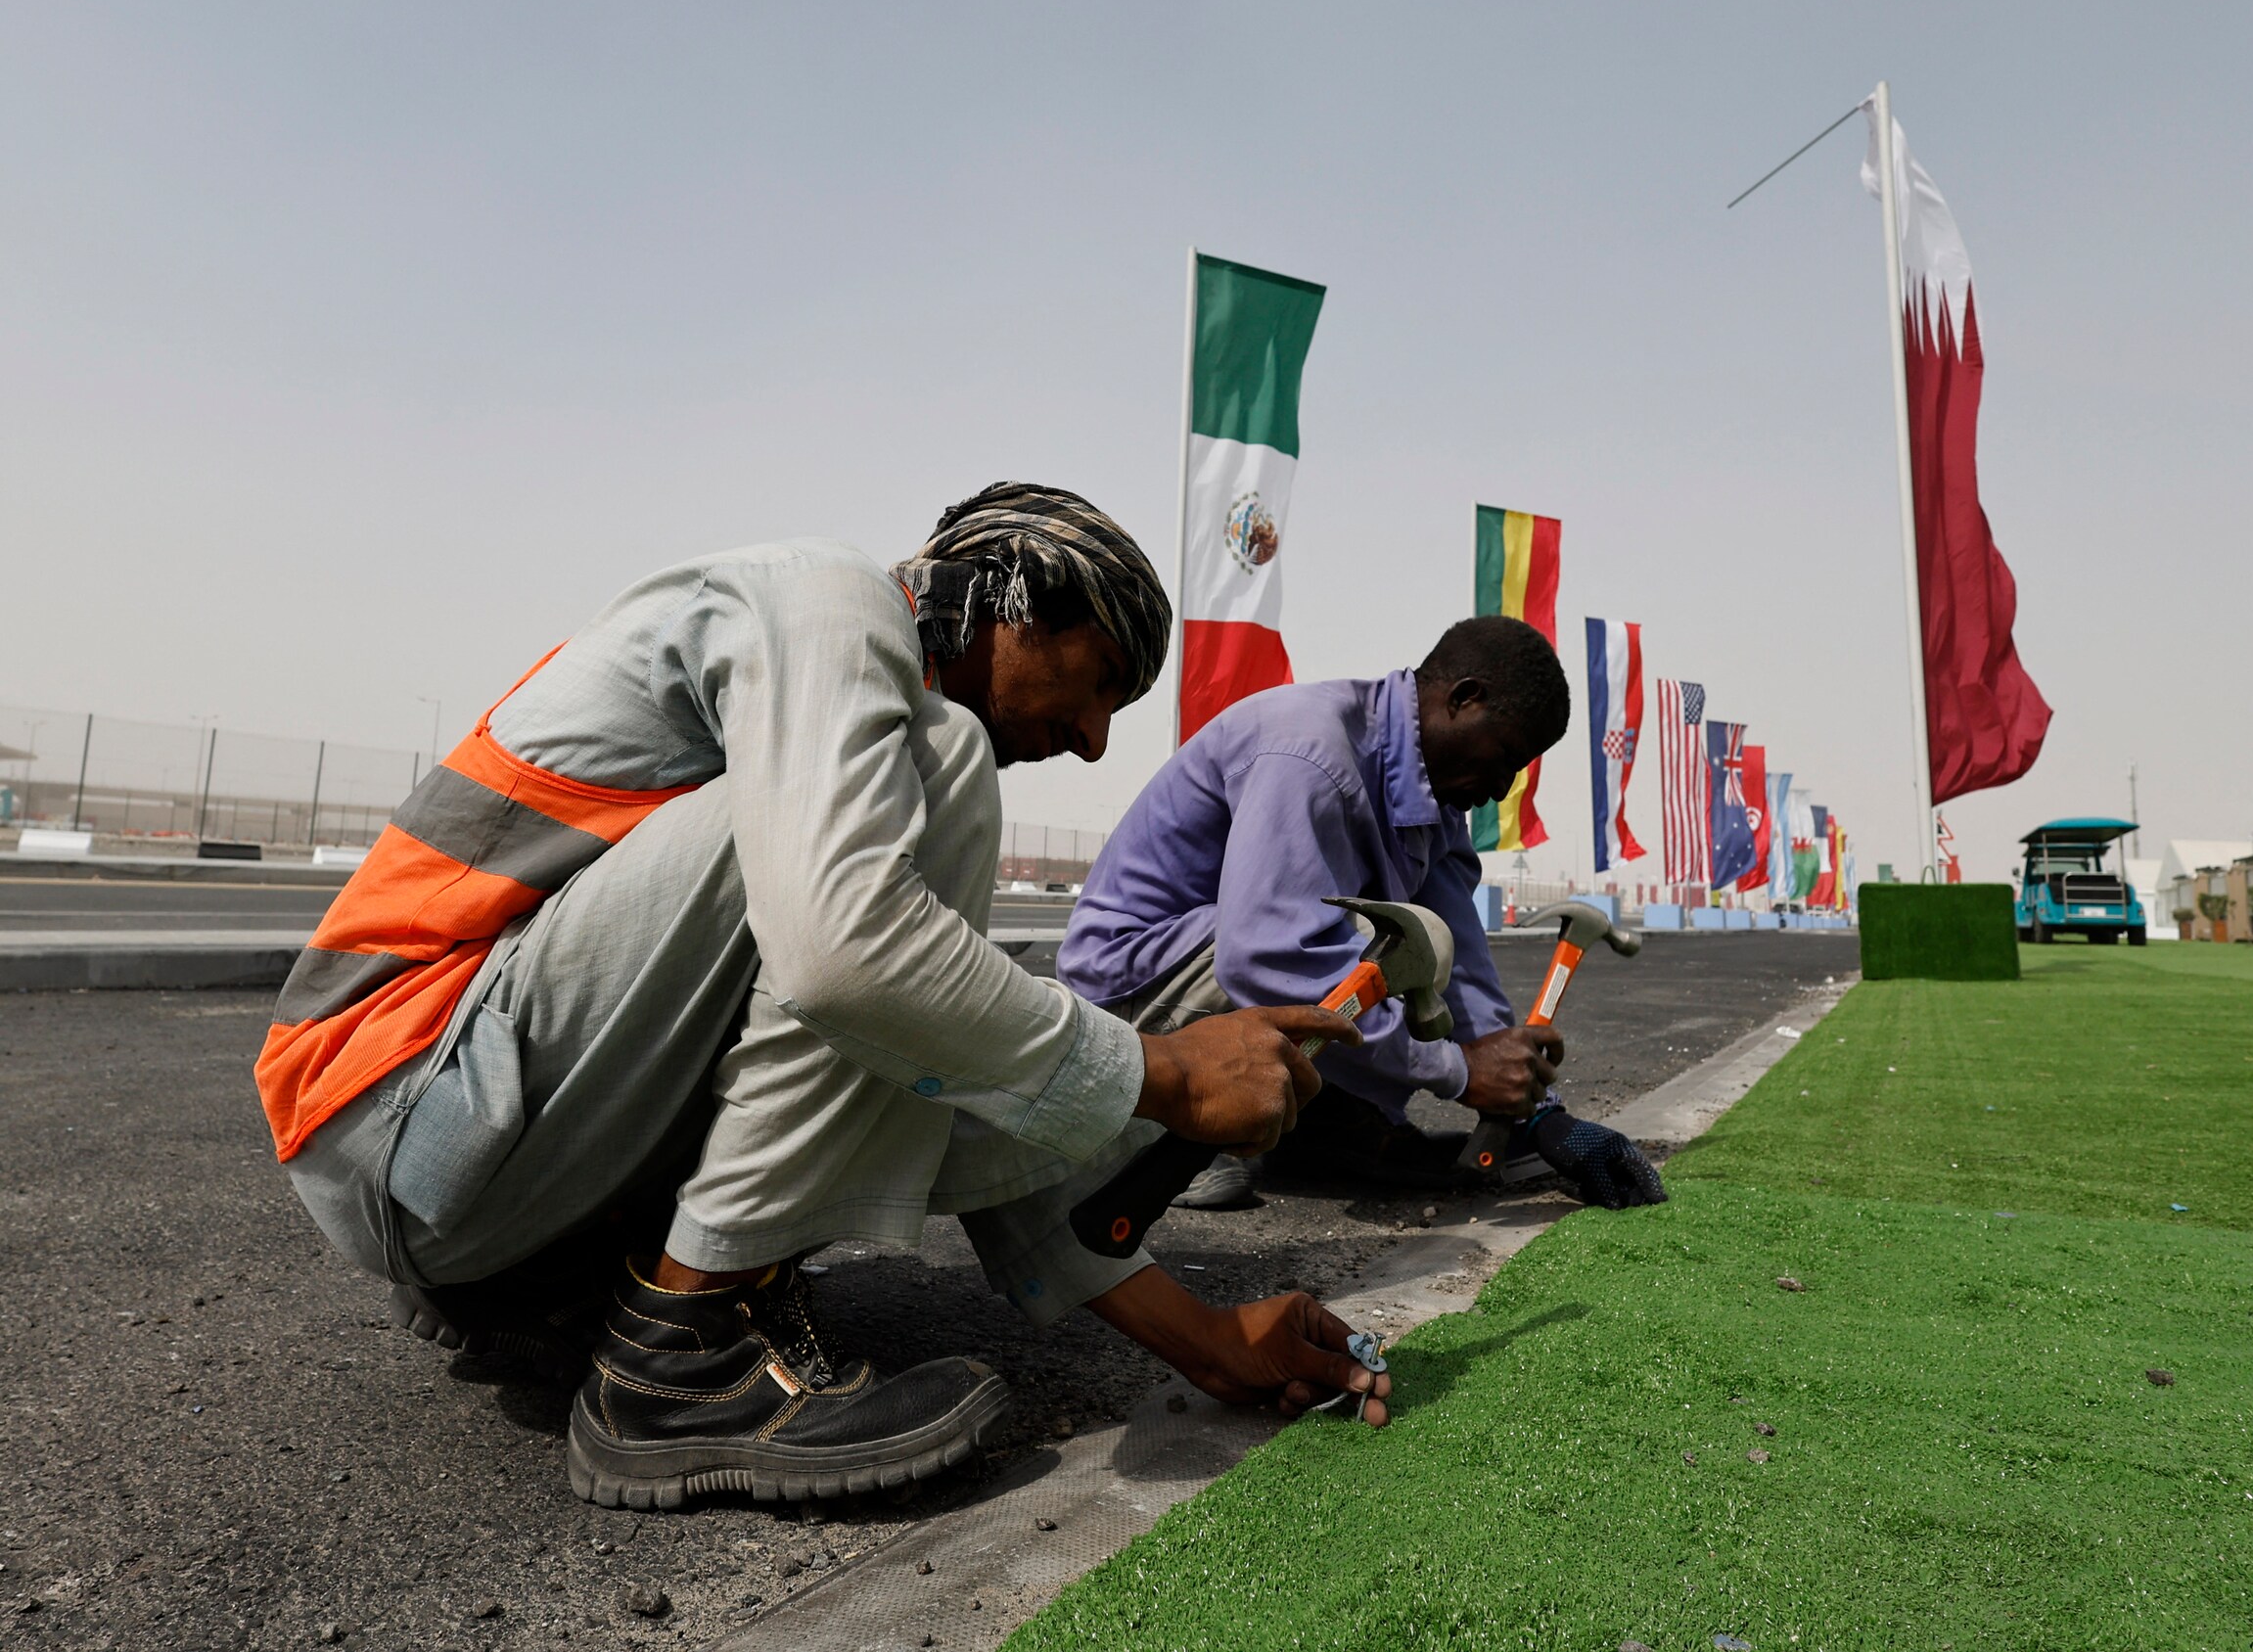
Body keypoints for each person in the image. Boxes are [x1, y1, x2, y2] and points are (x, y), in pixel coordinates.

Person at [255, 482, 1390, 1512]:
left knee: (920, 980)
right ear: (1011, 603)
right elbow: (845, 959)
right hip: (399, 1104)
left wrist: (1206, 1342)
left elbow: (931, 1049)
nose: (1093, 743)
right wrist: (1164, 1069)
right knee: (915, 815)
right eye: (1097, 684)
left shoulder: (847, 709)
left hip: (455, 1141)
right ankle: (679, 1361)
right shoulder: (832, 607)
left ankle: (554, 1280)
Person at [1057, 616, 1668, 1213]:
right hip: (1125, 998)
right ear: (1463, 699)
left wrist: (1536, 1111)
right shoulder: (1312, 753)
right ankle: (1175, 1133)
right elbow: (1267, 953)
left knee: (1408, 945)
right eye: (1506, 755)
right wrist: (1455, 1069)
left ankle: (1312, 1133)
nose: (1504, 787)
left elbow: (1461, 964)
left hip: (1223, 972)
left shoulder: (1436, 804)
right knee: (1330, 944)